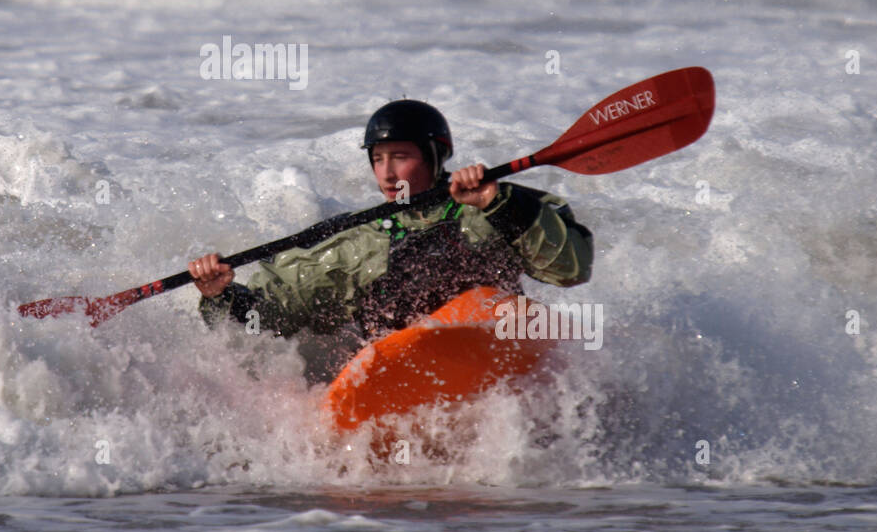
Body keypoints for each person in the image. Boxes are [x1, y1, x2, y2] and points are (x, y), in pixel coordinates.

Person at [189, 99, 592, 378]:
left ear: (436, 156)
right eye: (378, 158)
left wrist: (497, 201)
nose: (385, 173)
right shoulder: (360, 242)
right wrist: (221, 296)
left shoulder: (491, 211)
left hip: (494, 358)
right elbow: (274, 317)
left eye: (400, 156)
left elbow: (570, 268)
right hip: (404, 374)